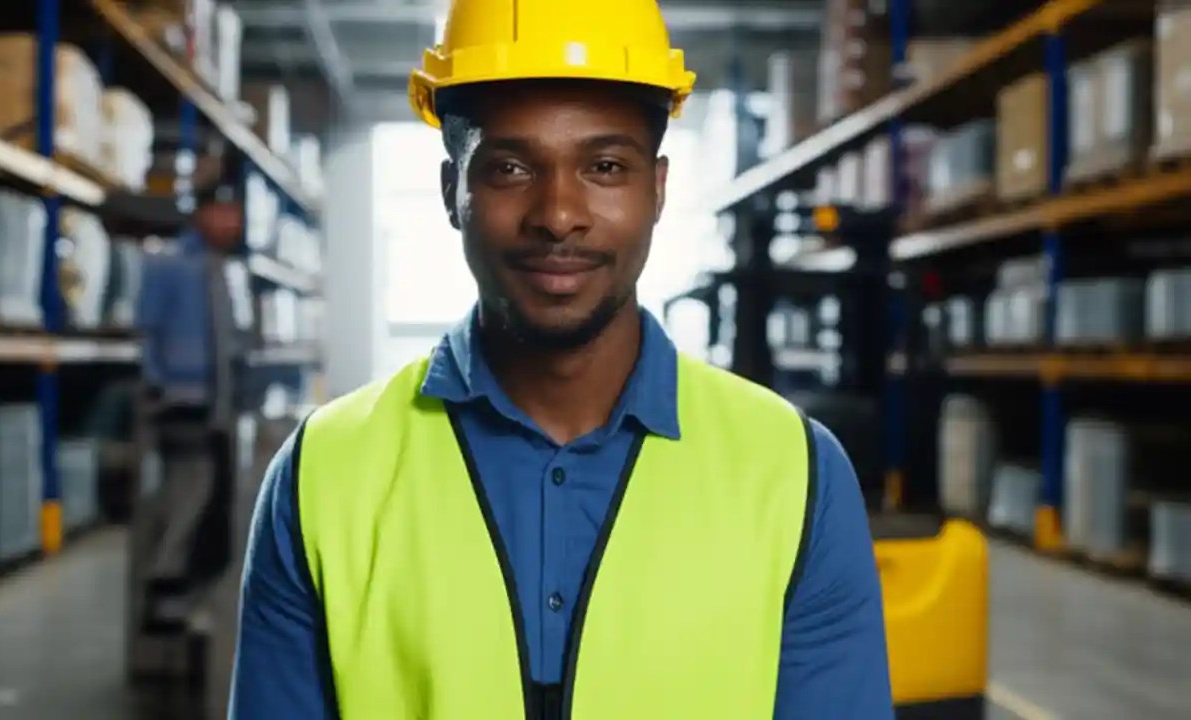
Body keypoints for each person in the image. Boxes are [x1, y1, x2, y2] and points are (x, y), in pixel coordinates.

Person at [230, 0, 893, 716]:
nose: (558, 214)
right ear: (454, 191)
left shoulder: (793, 473)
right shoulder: (322, 474)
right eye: (511, 167)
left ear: (658, 190)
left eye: (604, 166)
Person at [136, 181, 246, 626]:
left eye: (236, 213)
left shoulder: (218, 269)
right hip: (182, 402)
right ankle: (165, 593)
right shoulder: (171, 265)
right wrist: (158, 386)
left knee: (210, 498)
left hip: (215, 403)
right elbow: (147, 331)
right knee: (188, 494)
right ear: (201, 214)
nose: (232, 222)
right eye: (223, 212)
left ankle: (188, 589)